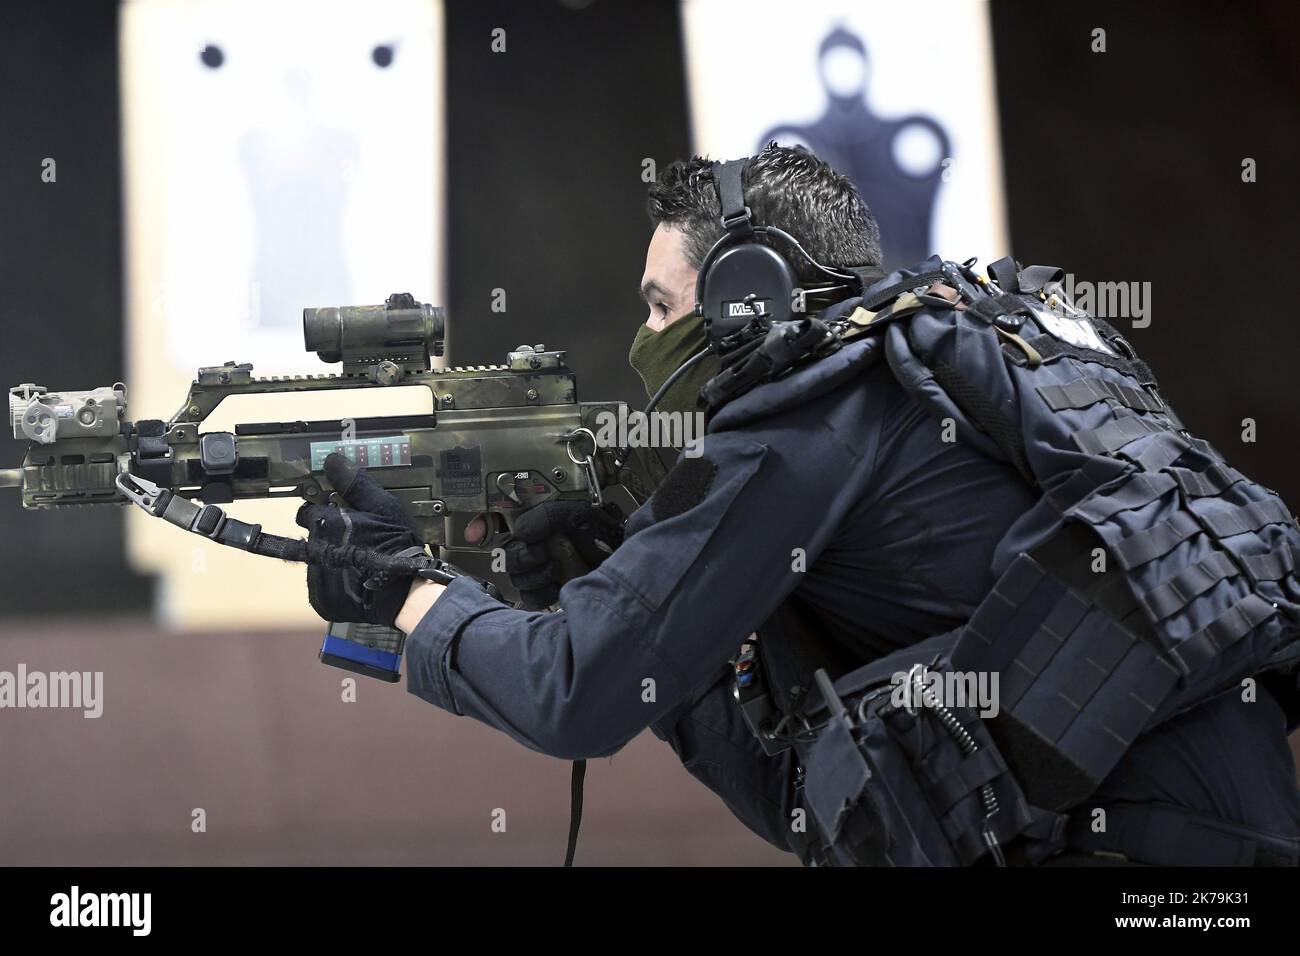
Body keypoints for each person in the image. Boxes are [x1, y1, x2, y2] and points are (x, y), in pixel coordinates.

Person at [296, 144, 1300, 866]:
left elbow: (574, 693)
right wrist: (664, 640)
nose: (643, 332)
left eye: (658, 301)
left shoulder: (806, 413)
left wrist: (403, 593)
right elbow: (823, 797)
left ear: (749, 289)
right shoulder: (954, 361)